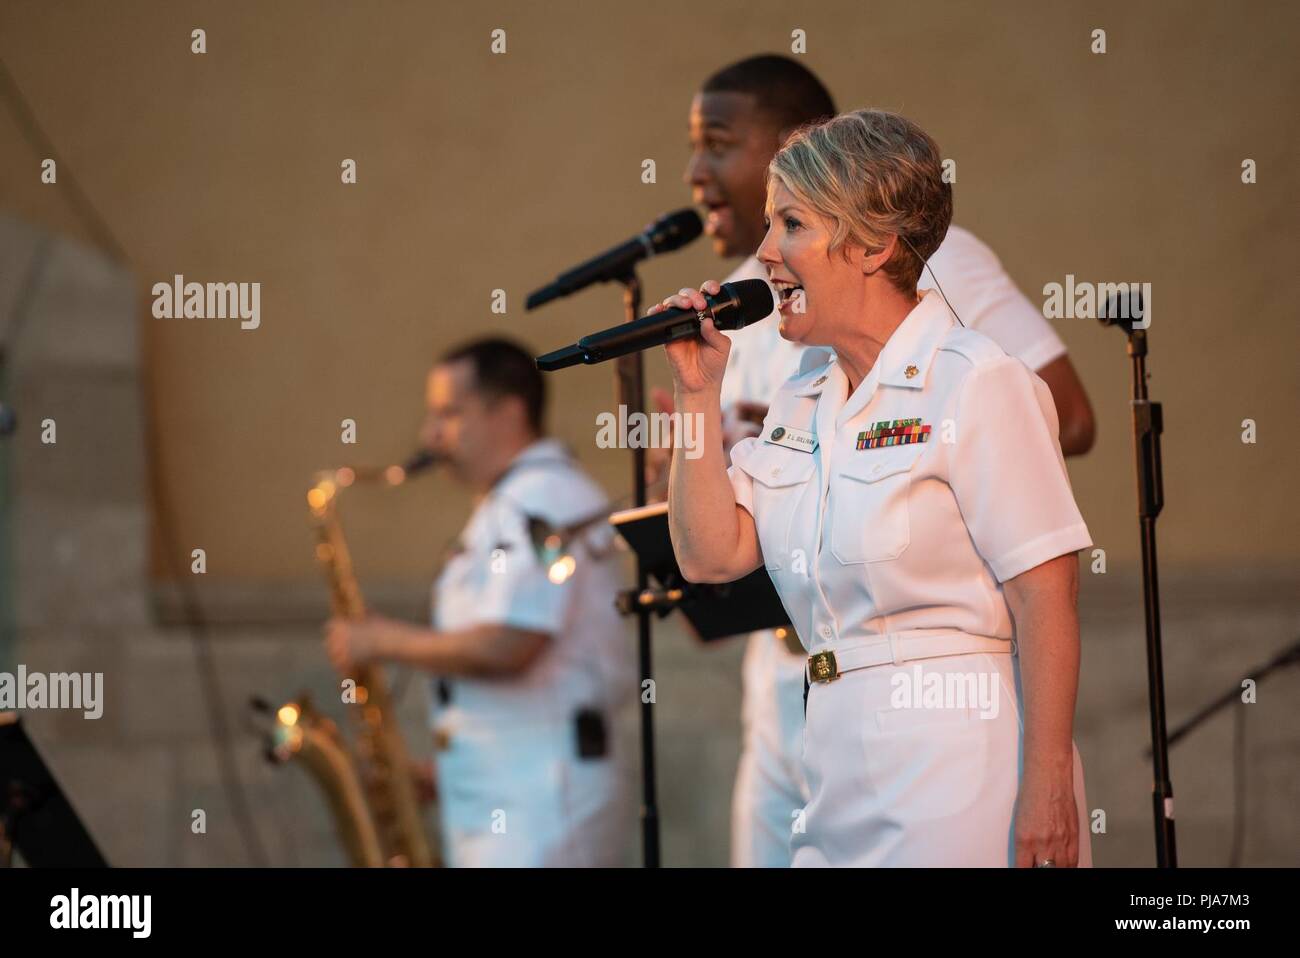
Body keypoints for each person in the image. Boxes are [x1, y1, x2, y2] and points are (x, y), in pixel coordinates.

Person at [663, 54, 1095, 867]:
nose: (765, 256)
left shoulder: (976, 380)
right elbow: (708, 556)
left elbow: (1047, 598)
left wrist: (1047, 786)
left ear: (871, 246)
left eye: (791, 226)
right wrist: (697, 396)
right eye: (767, 227)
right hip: (828, 751)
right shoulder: (801, 393)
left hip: (955, 759)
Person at [325, 337, 634, 867]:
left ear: (509, 412)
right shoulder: (513, 499)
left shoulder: (538, 497)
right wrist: (448, 770)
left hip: (539, 800)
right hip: (517, 791)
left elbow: (511, 642)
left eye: (449, 413)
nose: (430, 435)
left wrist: (378, 640)